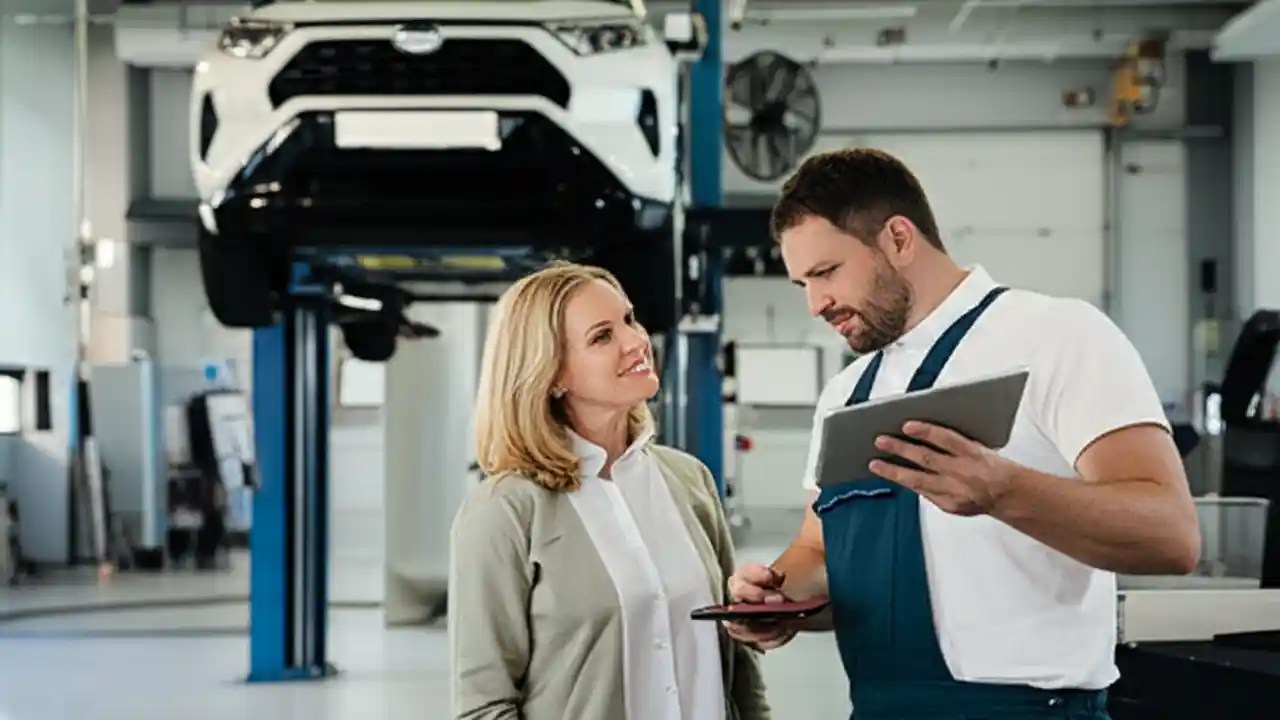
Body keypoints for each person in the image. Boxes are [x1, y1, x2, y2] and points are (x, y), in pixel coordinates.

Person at [725, 148, 1201, 719]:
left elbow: (1172, 535)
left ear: (899, 239)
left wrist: (1004, 492)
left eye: (826, 273)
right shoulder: (846, 394)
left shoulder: (1055, 337)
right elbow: (818, 549)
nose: (814, 303)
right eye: (802, 282)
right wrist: (778, 599)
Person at [449, 261, 771, 720]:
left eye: (629, 319)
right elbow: (483, 706)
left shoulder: (689, 481)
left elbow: (739, 670)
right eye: (602, 336)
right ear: (551, 373)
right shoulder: (504, 511)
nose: (636, 341)